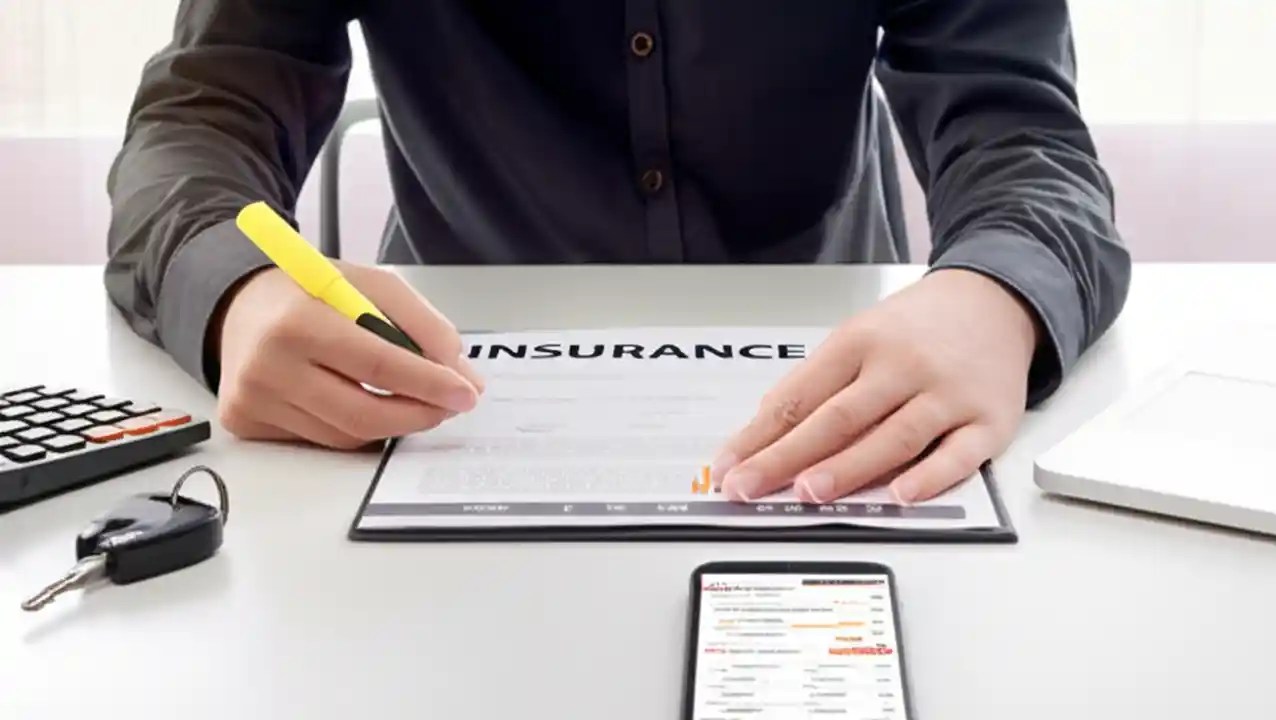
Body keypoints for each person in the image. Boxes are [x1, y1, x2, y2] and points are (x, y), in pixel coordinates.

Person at [105, 0, 1130, 506]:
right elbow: (202, 116)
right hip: (437, 403)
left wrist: (996, 291)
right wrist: (231, 288)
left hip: (853, 398)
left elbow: (1020, 134)